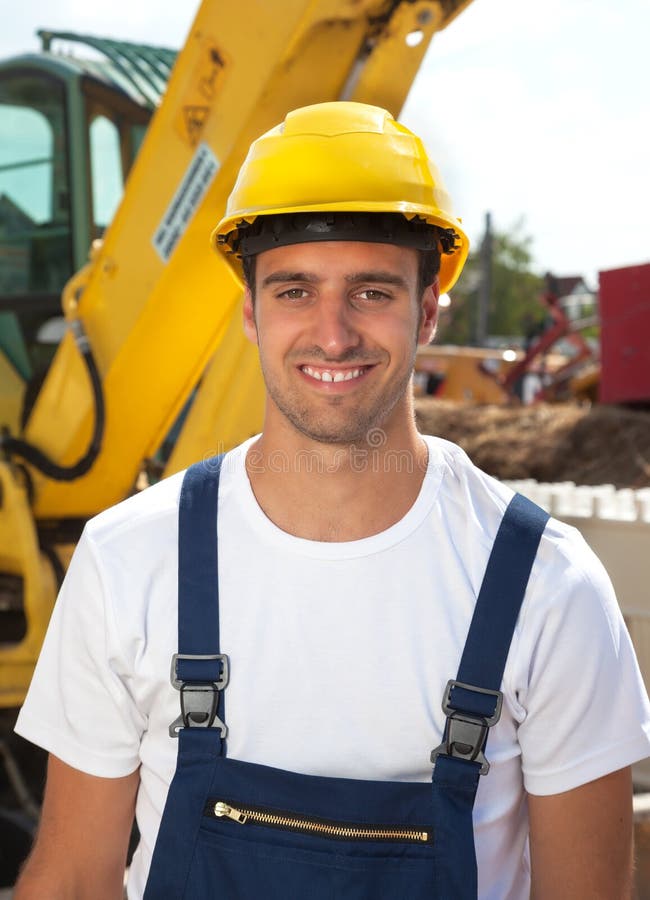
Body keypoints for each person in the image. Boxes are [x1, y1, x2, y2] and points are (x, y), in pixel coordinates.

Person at [13, 101, 650, 900]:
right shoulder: (131, 560)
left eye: (372, 292)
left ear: (428, 310)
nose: (333, 334)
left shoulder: (545, 588)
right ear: (249, 311)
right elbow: (71, 881)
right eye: (294, 291)